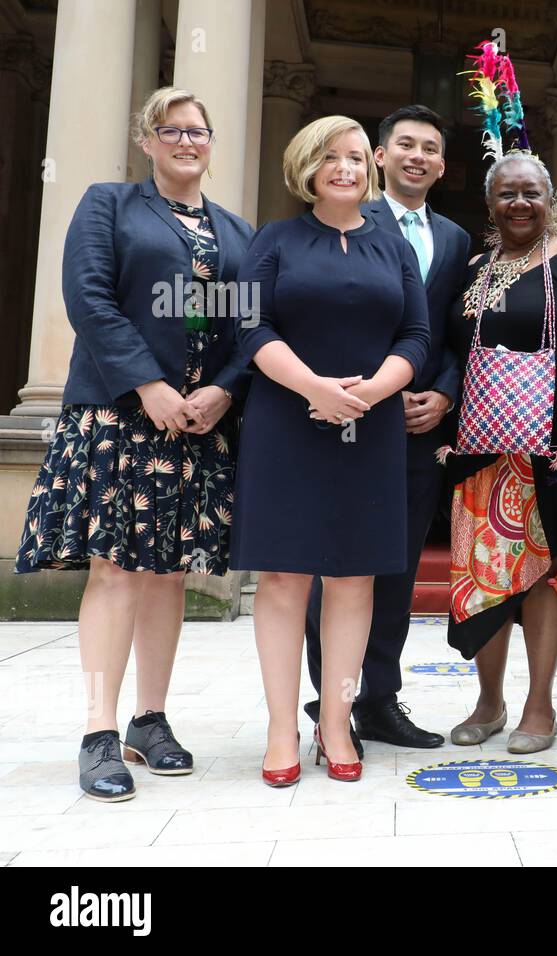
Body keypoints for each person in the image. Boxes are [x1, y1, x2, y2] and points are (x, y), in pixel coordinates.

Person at [15, 87, 253, 802]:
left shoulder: (238, 231)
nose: (186, 141)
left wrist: (226, 390)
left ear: (212, 143)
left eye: (198, 131)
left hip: (198, 426)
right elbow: (89, 297)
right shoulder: (107, 205)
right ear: (147, 141)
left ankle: (150, 720)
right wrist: (148, 385)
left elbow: (249, 327)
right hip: (120, 416)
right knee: (114, 571)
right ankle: (98, 729)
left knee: (170, 574)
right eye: (170, 130)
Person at [232, 116, 429, 786]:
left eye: (354, 157)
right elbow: (249, 324)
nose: (345, 169)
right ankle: (281, 728)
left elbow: (417, 333)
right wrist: (314, 387)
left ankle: (337, 721)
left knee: (354, 577)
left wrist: (371, 393)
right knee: (285, 578)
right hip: (285, 425)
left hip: (370, 431)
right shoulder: (276, 239)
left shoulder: (393, 243)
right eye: (330, 158)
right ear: (306, 165)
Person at [301, 105, 469, 754]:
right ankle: (329, 705)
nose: (417, 155)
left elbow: (455, 335)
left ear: (443, 165)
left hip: (418, 430)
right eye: (405, 144)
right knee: (337, 568)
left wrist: (445, 394)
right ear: (379, 155)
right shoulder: (343, 218)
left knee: (395, 569)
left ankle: (378, 700)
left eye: (430, 147)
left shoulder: (454, 240)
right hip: (345, 421)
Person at [442, 151, 557, 754]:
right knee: (481, 578)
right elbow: (451, 348)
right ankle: (489, 701)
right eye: (506, 194)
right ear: (490, 203)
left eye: (531, 193)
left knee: (543, 576)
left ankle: (540, 705)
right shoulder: (475, 267)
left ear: (551, 201)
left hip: (545, 449)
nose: (519, 203)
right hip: (478, 447)